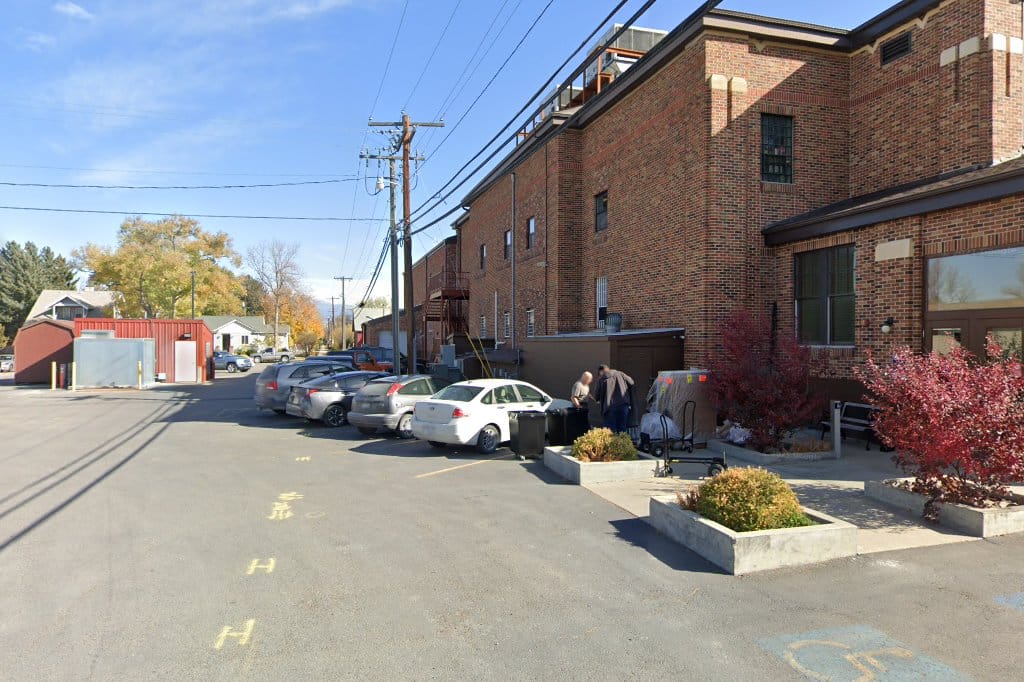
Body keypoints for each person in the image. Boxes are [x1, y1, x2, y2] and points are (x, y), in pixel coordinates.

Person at [593, 364, 634, 434]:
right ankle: (623, 444)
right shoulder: (621, 374)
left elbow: (596, 396)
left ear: (601, 371)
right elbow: (631, 382)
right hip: (623, 406)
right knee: (622, 429)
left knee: (611, 432)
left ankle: (613, 444)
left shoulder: (601, 379)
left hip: (609, 408)